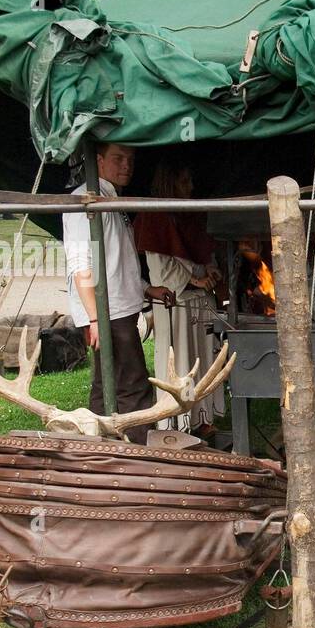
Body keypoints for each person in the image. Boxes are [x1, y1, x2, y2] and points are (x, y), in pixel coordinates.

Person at [62, 142, 174, 443]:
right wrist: (95, 318)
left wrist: (146, 289)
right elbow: (81, 266)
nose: (126, 165)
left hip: (116, 308)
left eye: (130, 159)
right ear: (98, 160)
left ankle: (102, 450)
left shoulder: (111, 198)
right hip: (106, 311)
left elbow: (114, 261)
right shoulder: (83, 202)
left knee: (107, 384)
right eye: (118, 158)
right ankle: (136, 455)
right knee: (133, 385)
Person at [133, 159, 224, 434]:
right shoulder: (154, 215)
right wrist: (193, 279)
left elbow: (205, 253)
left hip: (200, 302)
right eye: (185, 182)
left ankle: (203, 419)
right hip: (176, 303)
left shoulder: (191, 214)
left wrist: (210, 270)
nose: (191, 187)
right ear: (170, 183)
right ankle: (176, 422)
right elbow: (159, 267)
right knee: (179, 362)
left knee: (204, 361)